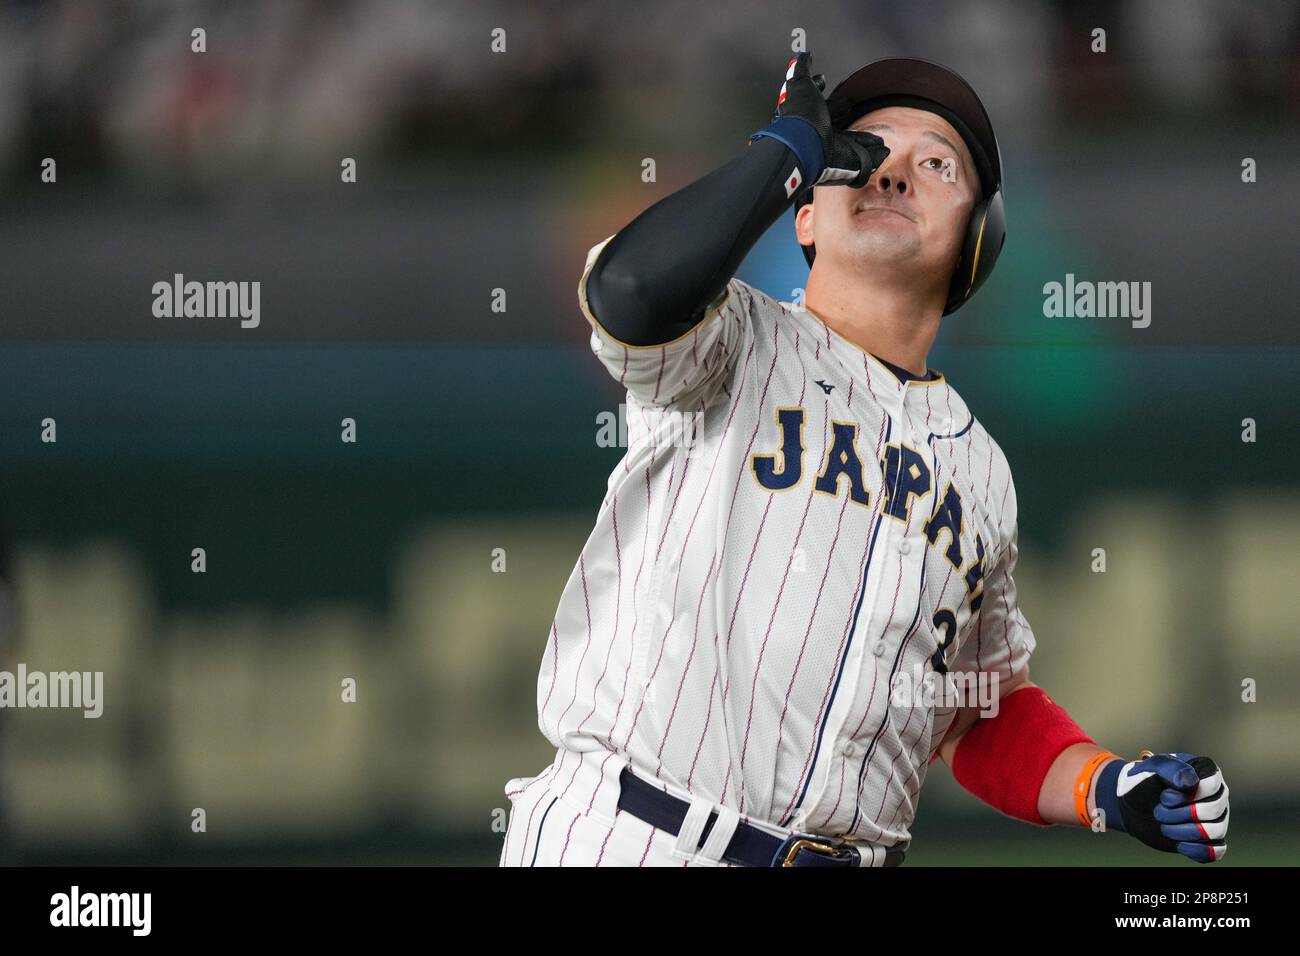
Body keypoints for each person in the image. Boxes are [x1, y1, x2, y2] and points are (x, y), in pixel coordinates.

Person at [499, 54, 1229, 867]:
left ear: (975, 241)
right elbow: (630, 292)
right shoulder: (730, 339)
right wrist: (785, 149)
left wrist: (1106, 784)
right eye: (863, 150)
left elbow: (975, 709)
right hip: (635, 838)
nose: (891, 171)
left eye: (937, 164)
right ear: (806, 217)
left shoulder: (981, 472)